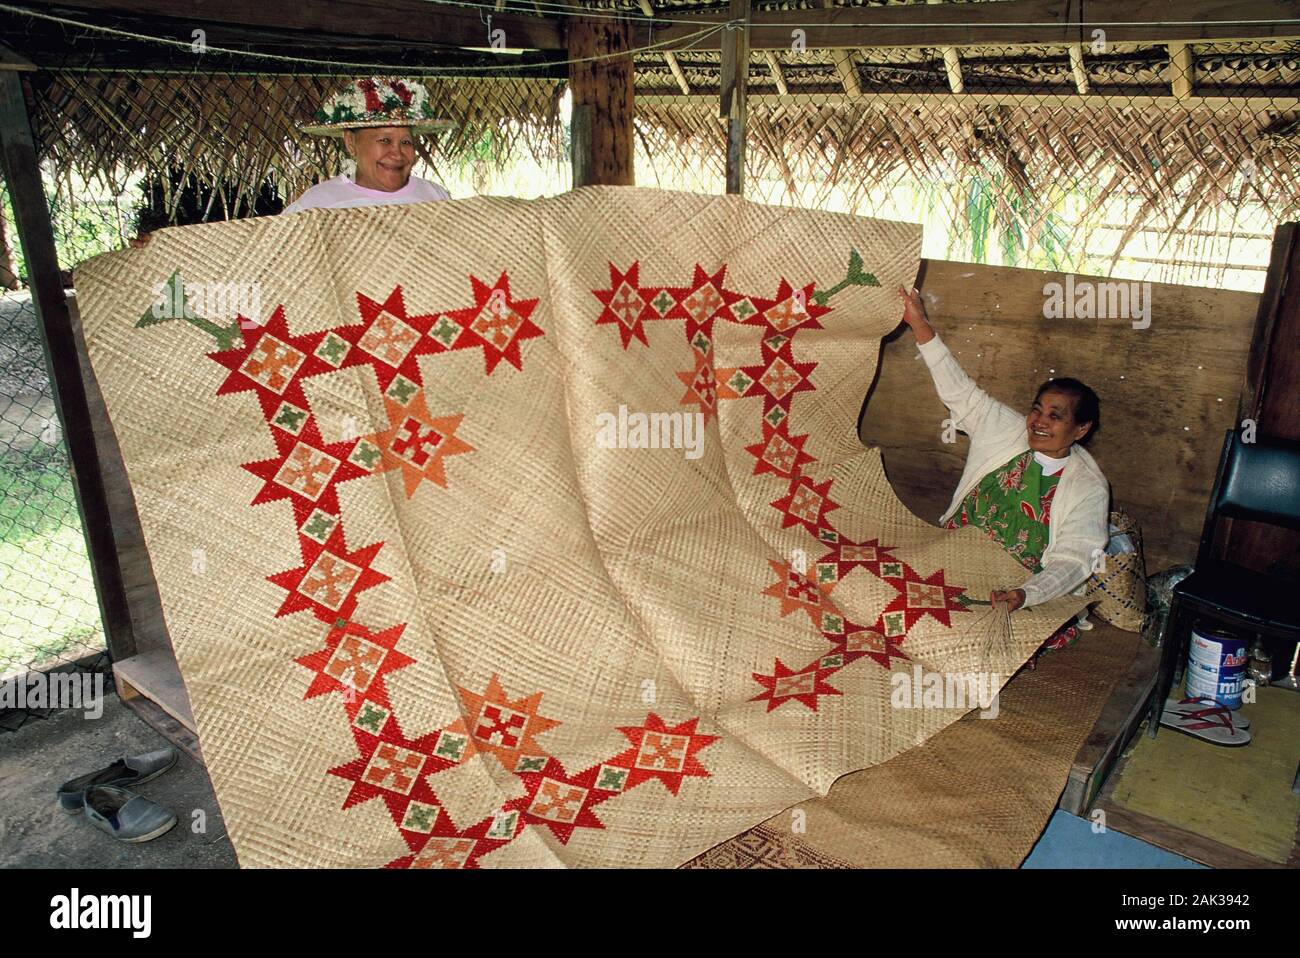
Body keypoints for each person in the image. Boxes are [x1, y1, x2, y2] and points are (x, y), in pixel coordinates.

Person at [897, 285, 1111, 660]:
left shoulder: (1088, 486)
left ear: (1080, 429)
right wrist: (919, 324)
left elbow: (1075, 559)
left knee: (980, 640)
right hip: (955, 556)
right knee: (894, 593)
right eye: (1037, 410)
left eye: (1055, 416)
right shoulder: (1005, 429)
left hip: (1017, 580)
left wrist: (1026, 594)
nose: (1039, 422)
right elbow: (959, 391)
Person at [284, 76, 454, 213]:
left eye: (406, 142)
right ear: (351, 142)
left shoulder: (435, 197)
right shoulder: (319, 205)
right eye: (384, 140)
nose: (397, 153)